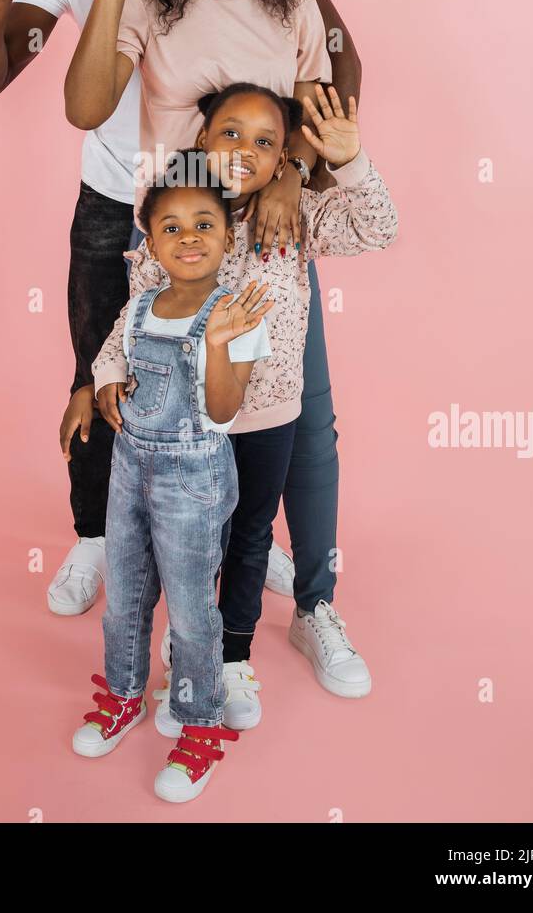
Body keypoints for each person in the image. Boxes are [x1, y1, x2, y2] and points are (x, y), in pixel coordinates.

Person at [0, 0, 361, 615]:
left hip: (244, 214)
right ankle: (99, 541)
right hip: (121, 205)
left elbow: (338, 64)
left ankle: (243, 551)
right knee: (107, 379)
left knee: (258, 390)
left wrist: (293, 165)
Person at [64, 0, 374, 694]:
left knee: (302, 426)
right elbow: (86, 107)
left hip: (272, 249)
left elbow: (320, 106)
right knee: (182, 440)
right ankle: (186, 641)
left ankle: (310, 604)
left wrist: (293, 176)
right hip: (177, 250)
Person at [92, 83, 398, 731]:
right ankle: (187, 653)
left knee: (251, 537)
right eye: (231, 133)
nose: (245, 150)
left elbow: (379, 228)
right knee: (192, 542)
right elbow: (137, 305)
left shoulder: (297, 216)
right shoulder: (181, 213)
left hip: (269, 417)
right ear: (203, 140)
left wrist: (349, 162)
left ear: (284, 155)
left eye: (266, 142)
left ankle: (230, 657)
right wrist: (111, 369)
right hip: (188, 422)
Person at [71, 153, 274, 803]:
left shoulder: (236, 314)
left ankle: (199, 723)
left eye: (204, 225)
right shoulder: (141, 305)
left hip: (193, 479)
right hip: (130, 470)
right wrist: (104, 384)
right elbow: (118, 362)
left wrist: (216, 343)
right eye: (173, 227)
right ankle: (125, 694)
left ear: (227, 236)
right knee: (125, 593)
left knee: (190, 612)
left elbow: (220, 409)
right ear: (150, 238)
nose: (188, 239)